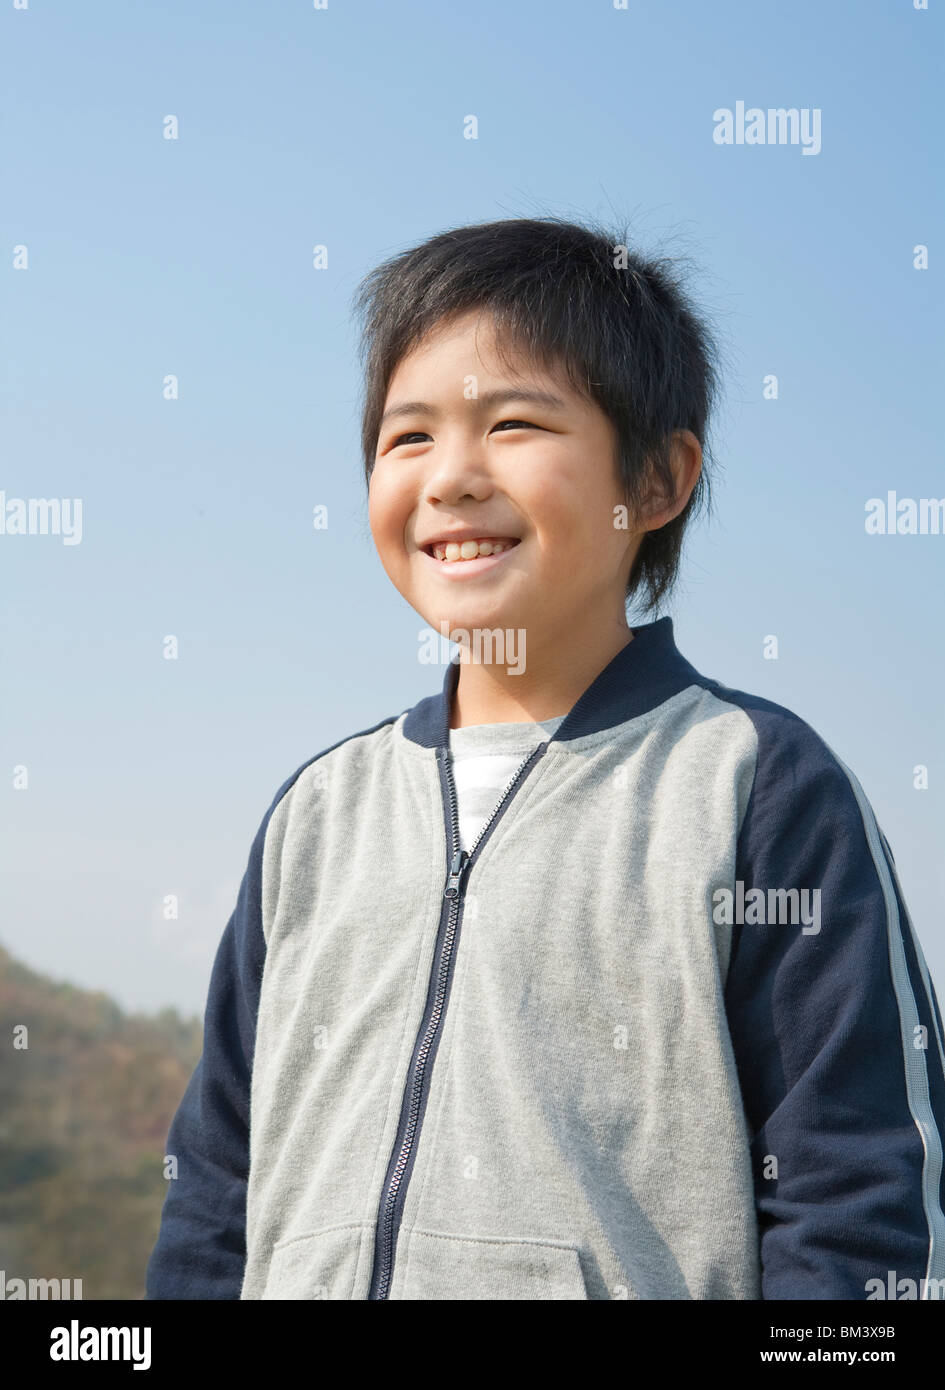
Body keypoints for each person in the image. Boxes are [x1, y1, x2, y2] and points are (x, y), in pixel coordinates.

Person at [146, 216, 945, 1301]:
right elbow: (213, 1195)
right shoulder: (319, 812)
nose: (452, 477)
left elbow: (859, 1204)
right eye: (407, 435)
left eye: (513, 422)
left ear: (657, 481)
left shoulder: (758, 787)